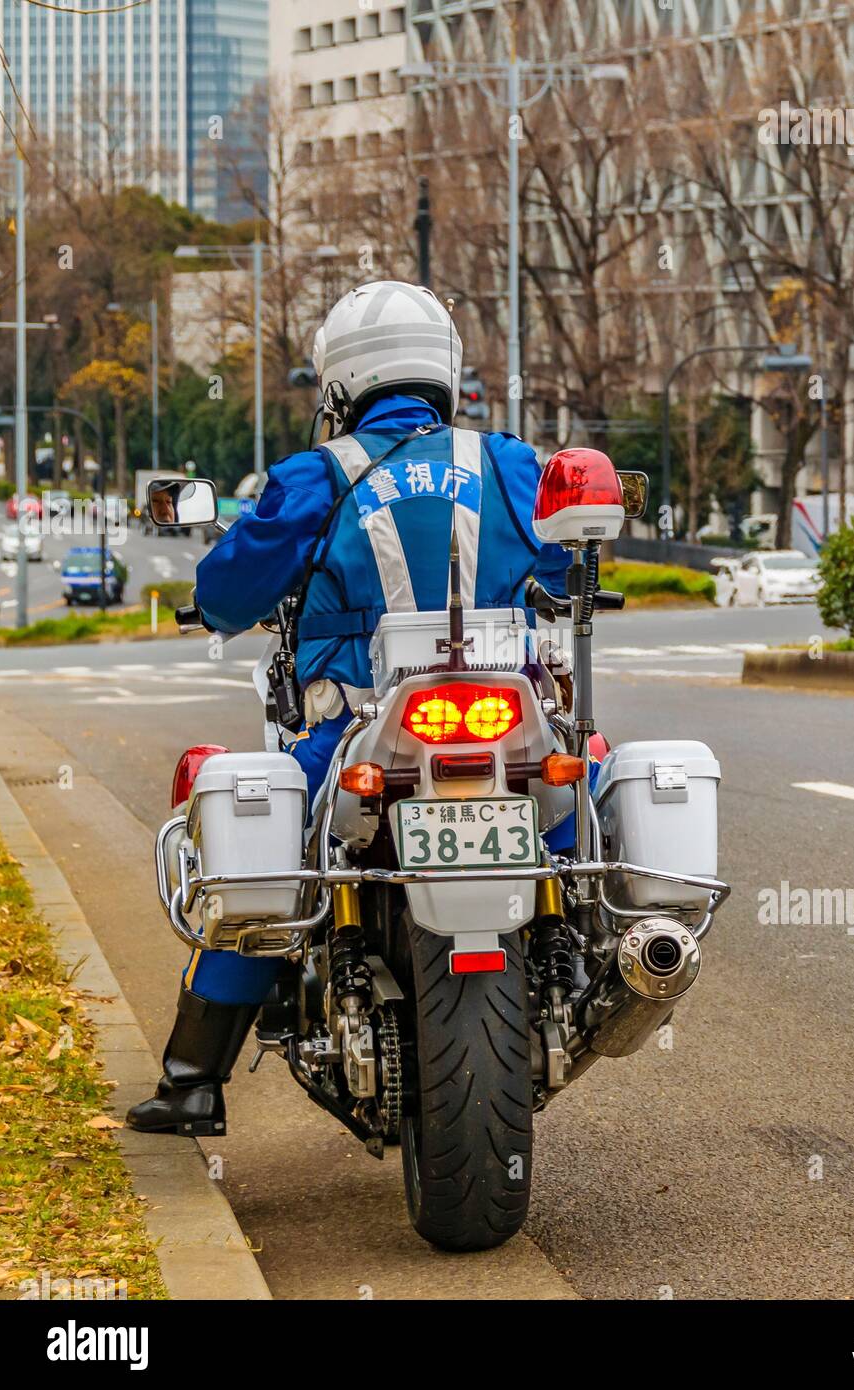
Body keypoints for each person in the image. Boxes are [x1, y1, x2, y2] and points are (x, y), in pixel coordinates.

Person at [127, 280, 571, 1136]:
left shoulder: (315, 476)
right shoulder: (511, 462)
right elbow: (565, 575)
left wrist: (218, 598)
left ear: (340, 384)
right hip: (512, 728)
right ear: (443, 371)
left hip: (353, 734)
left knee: (267, 856)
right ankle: (589, 951)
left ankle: (193, 1084)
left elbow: (227, 592)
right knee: (577, 813)